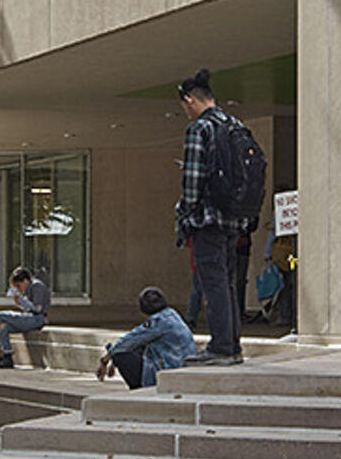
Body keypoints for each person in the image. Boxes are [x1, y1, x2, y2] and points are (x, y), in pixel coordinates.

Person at [174, 70, 252, 363]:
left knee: (213, 281)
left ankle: (220, 347)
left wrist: (185, 213)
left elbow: (192, 180)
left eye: (184, 105)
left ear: (190, 100)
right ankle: (232, 345)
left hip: (207, 218)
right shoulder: (235, 125)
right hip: (233, 217)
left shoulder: (199, 130)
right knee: (228, 281)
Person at [95, 288, 195, 390]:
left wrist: (105, 360)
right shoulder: (172, 315)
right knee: (137, 347)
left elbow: (129, 340)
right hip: (181, 367)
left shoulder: (158, 322)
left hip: (168, 370)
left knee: (119, 354)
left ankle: (138, 389)